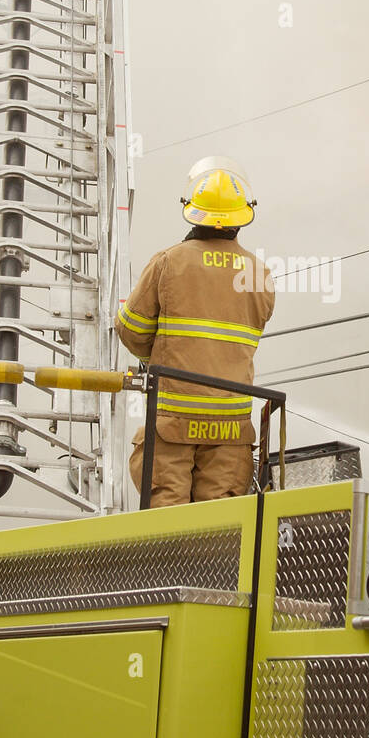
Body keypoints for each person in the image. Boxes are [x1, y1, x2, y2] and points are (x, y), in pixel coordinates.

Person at [114, 157, 275, 506]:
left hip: (173, 423)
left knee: (169, 528)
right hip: (231, 431)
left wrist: (155, 358)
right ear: (241, 217)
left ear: (193, 212)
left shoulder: (169, 262)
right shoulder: (260, 274)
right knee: (220, 533)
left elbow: (130, 329)